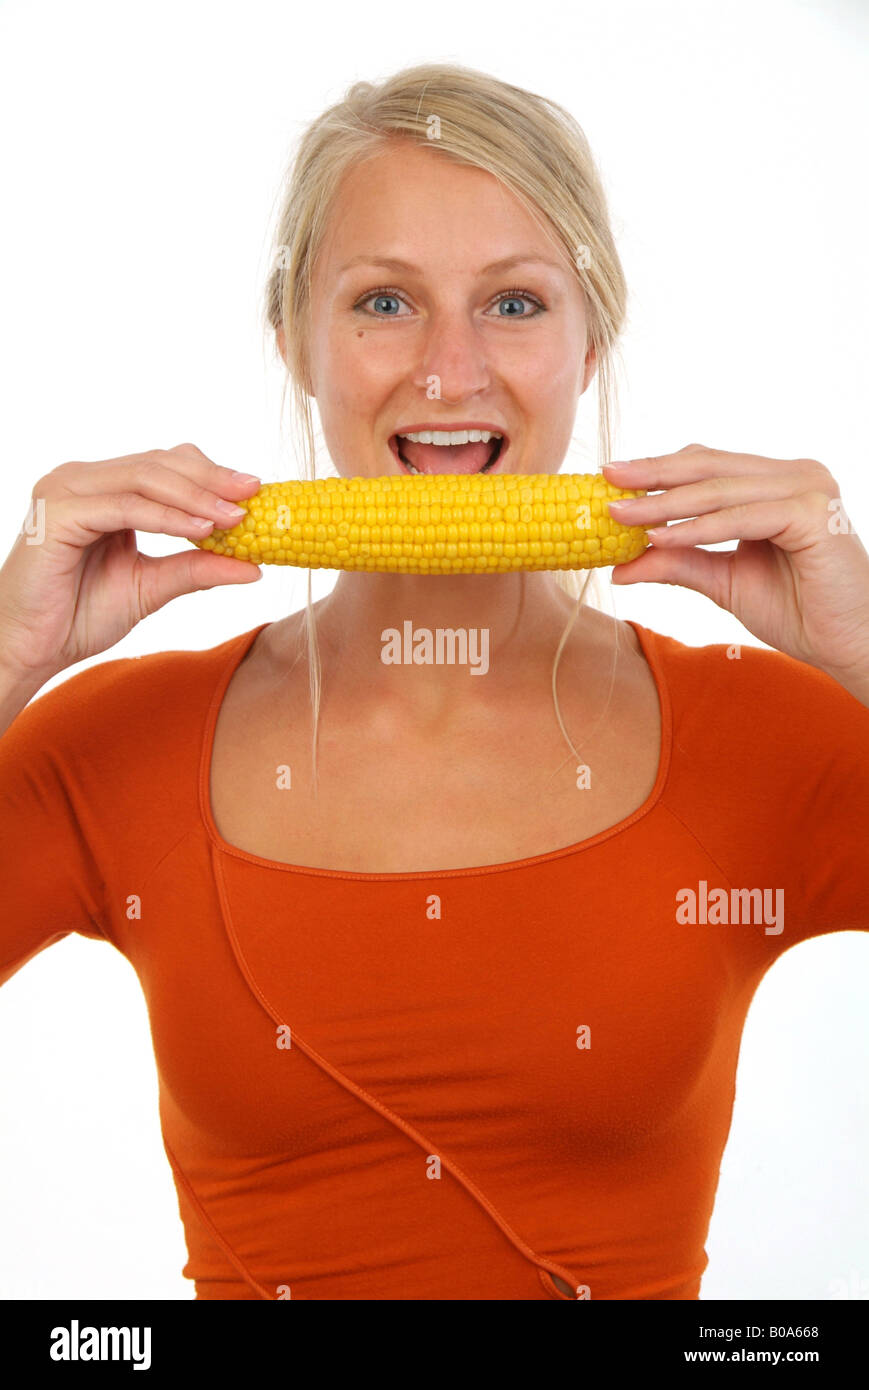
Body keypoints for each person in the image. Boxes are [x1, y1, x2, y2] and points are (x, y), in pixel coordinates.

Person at [1, 62, 867, 1301]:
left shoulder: (772, 736)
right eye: (384, 301)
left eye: (513, 304)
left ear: (591, 336)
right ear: (294, 337)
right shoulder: (116, 747)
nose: (450, 373)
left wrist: (864, 643)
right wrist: (6, 651)